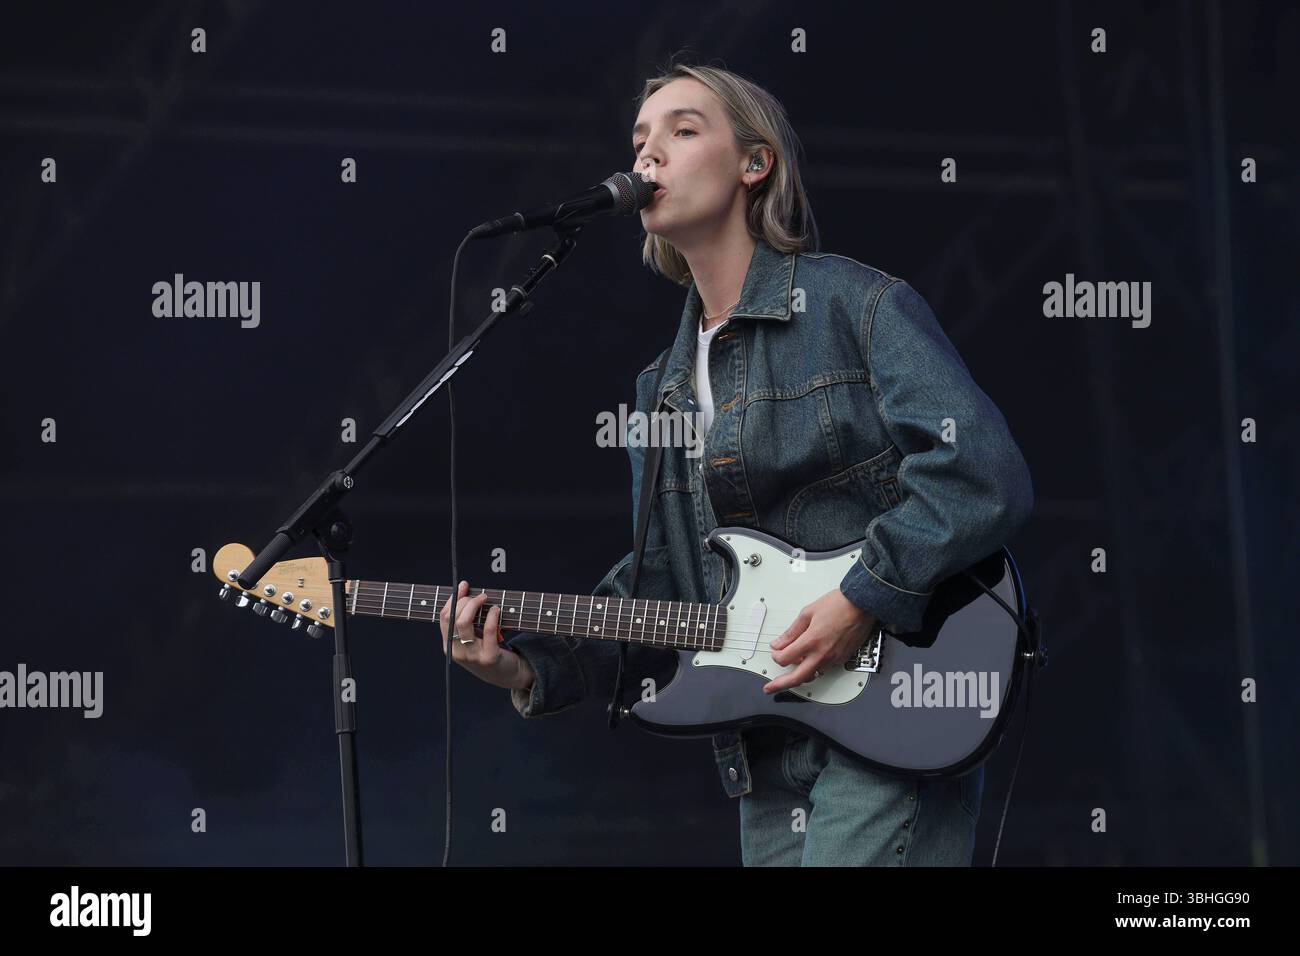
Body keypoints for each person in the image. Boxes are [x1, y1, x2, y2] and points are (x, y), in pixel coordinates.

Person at [438, 62, 1034, 866]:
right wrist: (520, 663)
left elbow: (983, 471)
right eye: (640, 141)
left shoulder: (853, 306)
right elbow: (659, 589)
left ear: (756, 164)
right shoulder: (661, 389)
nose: (649, 157)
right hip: (765, 749)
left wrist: (863, 595)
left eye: (683, 131)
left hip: (894, 709)